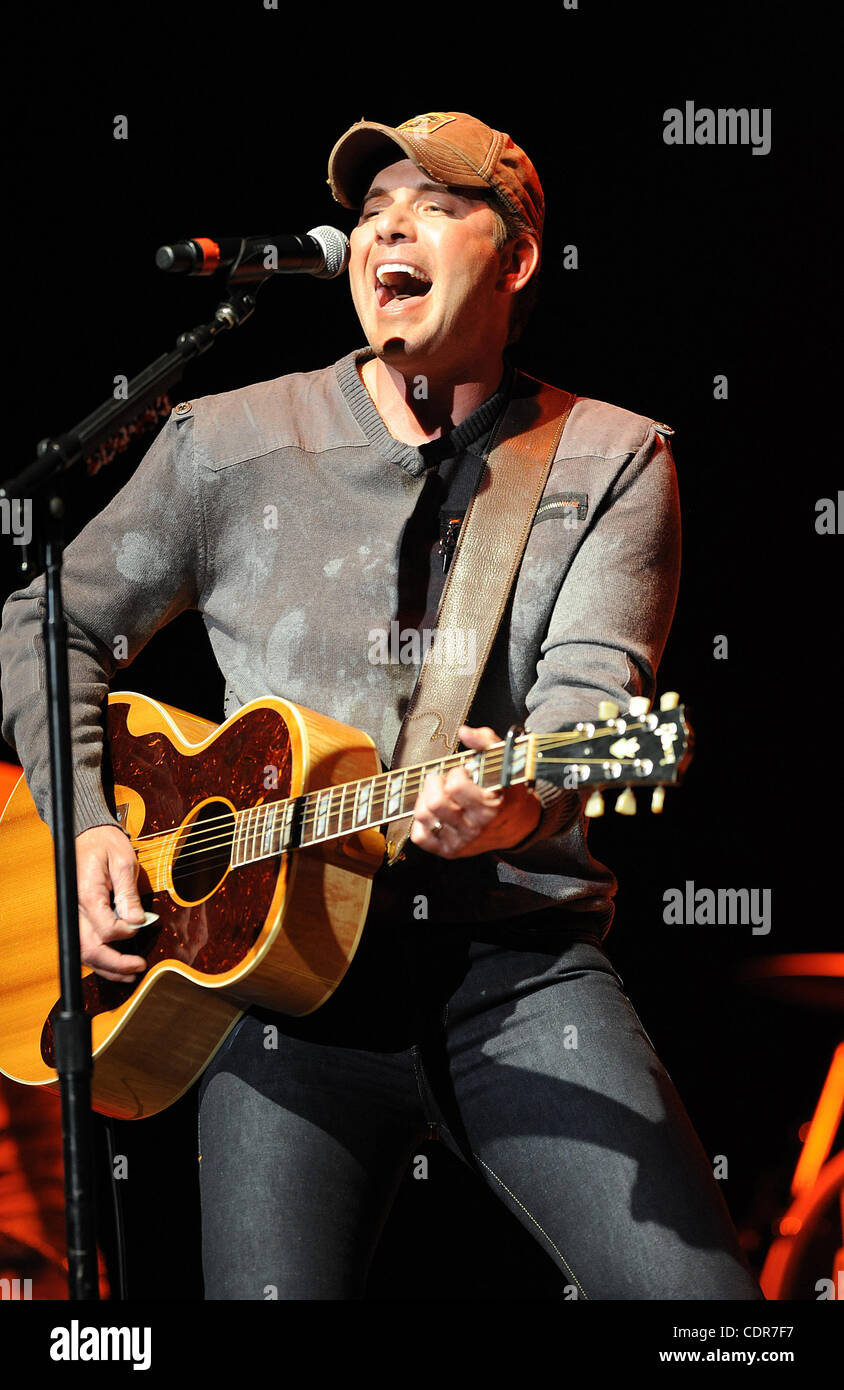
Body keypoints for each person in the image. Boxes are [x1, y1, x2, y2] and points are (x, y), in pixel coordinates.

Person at [0, 111, 763, 1300]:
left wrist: (514, 807)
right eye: (368, 212)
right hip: (271, 990)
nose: (386, 229)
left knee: (706, 1317)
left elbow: (587, 696)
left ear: (514, 260)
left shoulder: (609, 455)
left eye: (437, 205)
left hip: (514, 979)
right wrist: (91, 821)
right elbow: (49, 625)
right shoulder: (230, 436)